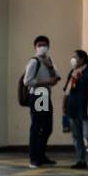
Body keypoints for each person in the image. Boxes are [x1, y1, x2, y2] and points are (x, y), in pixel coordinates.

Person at [23, 34, 59, 166]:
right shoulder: (34, 61)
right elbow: (27, 81)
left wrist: (50, 68)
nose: (43, 47)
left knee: (47, 127)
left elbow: (56, 78)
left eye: (45, 45)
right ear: (35, 47)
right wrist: (46, 82)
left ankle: (41, 155)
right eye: (40, 45)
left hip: (45, 95)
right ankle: (34, 158)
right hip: (38, 95)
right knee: (37, 126)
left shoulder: (49, 61)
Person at [62, 50, 88, 169]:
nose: (73, 59)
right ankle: (81, 160)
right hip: (72, 108)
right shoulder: (72, 72)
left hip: (85, 109)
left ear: (82, 59)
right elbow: (67, 91)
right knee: (76, 136)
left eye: (75, 57)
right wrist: (64, 105)